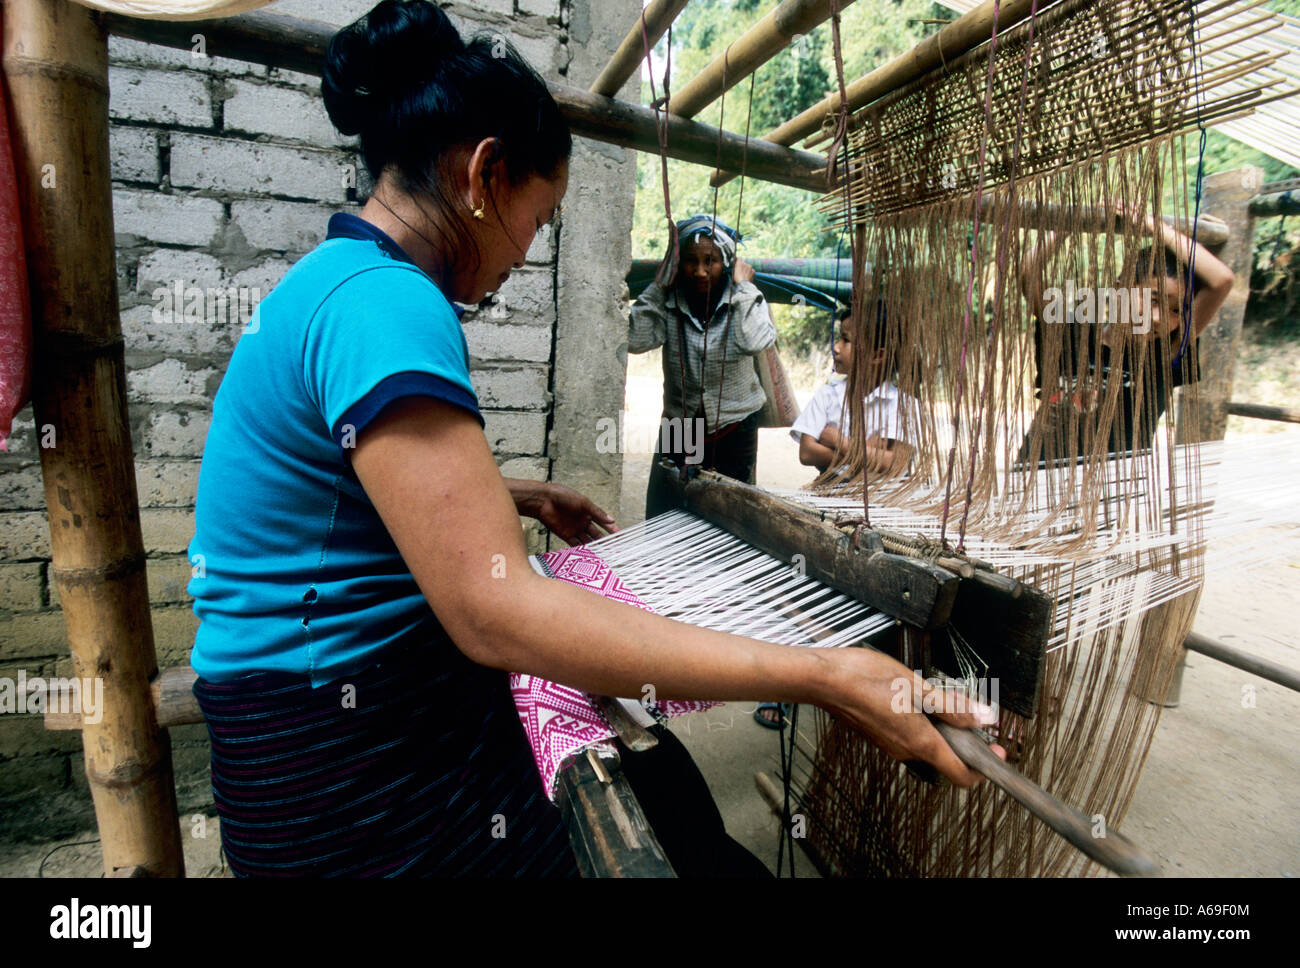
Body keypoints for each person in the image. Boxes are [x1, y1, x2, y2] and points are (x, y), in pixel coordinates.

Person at [186, 0, 998, 879]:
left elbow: (336, 504)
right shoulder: (387, 303)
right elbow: (495, 614)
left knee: (674, 803)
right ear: (484, 174)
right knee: (667, 843)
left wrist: (517, 497)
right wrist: (823, 674)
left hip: (310, 730)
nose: (526, 253)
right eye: (536, 221)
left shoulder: (335, 280)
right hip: (345, 767)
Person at [1018, 206, 1233, 462]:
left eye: (1176, 310)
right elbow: (1029, 271)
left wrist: (1155, 226)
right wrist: (1070, 224)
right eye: (1153, 299)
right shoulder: (1071, 334)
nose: (1158, 318)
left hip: (1119, 486)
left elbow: (1221, 280)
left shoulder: (1167, 353)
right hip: (1041, 476)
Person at [629, 216, 777, 518]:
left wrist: (744, 287)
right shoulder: (669, 302)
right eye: (690, 261)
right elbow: (634, 338)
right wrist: (659, 285)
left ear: (726, 262)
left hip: (735, 426)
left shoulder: (743, 301)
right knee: (666, 511)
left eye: (710, 261)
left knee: (733, 517)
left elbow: (757, 340)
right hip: (679, 423)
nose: (699, 271)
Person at [790, 304, 920, 476]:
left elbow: (894, 463)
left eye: (846, 340)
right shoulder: (827, 395)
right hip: (831, 489)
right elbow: (807, 453)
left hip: (883, 496)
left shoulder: (904, 405)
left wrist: (840, 442)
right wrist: (869, 452)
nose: (836, 347)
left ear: (877, 355)